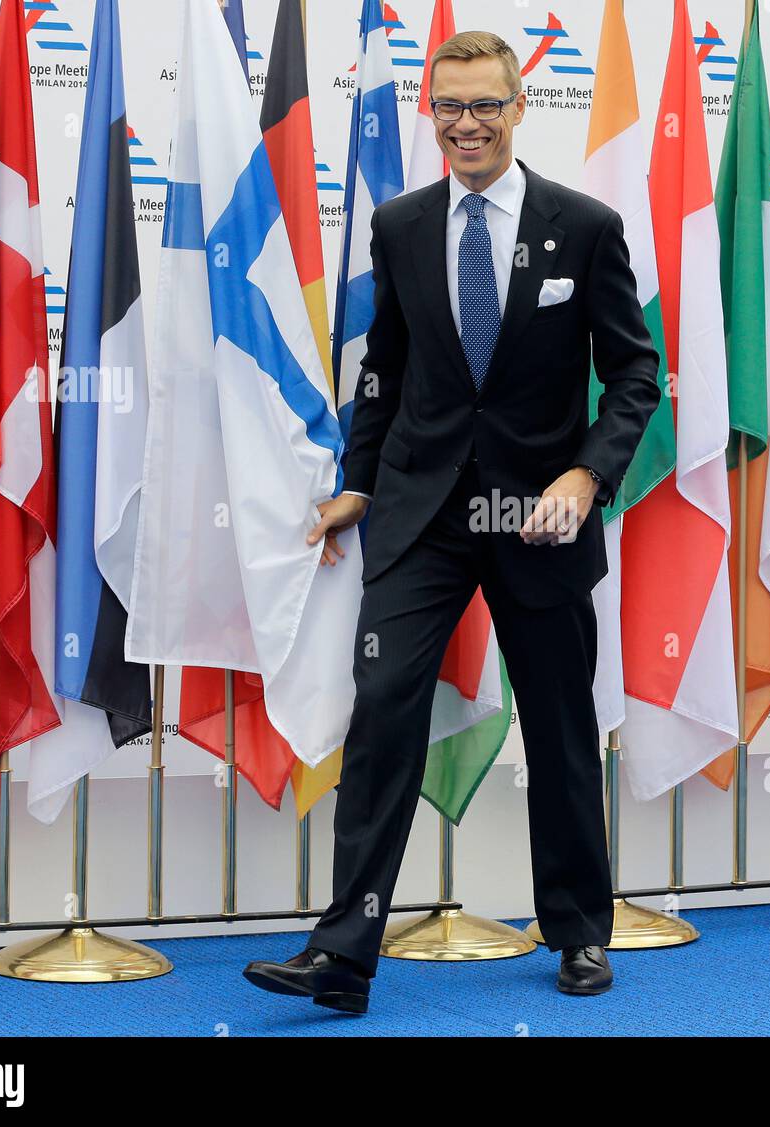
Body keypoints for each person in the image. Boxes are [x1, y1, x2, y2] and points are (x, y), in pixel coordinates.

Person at [243, 30, 660, 1015]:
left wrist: (585, 476)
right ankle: (343, 952)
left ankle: (577, 932)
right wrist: (357, 478)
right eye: (449, 107)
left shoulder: (585, 227)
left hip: (538, 518)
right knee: (383, 711)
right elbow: (383, 368)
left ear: (519, 108)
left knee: (559, 725)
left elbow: (635, 372)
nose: (465, 123)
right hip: (421, 513)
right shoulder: (397, 225)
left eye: (484, 105)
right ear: (432, 115)